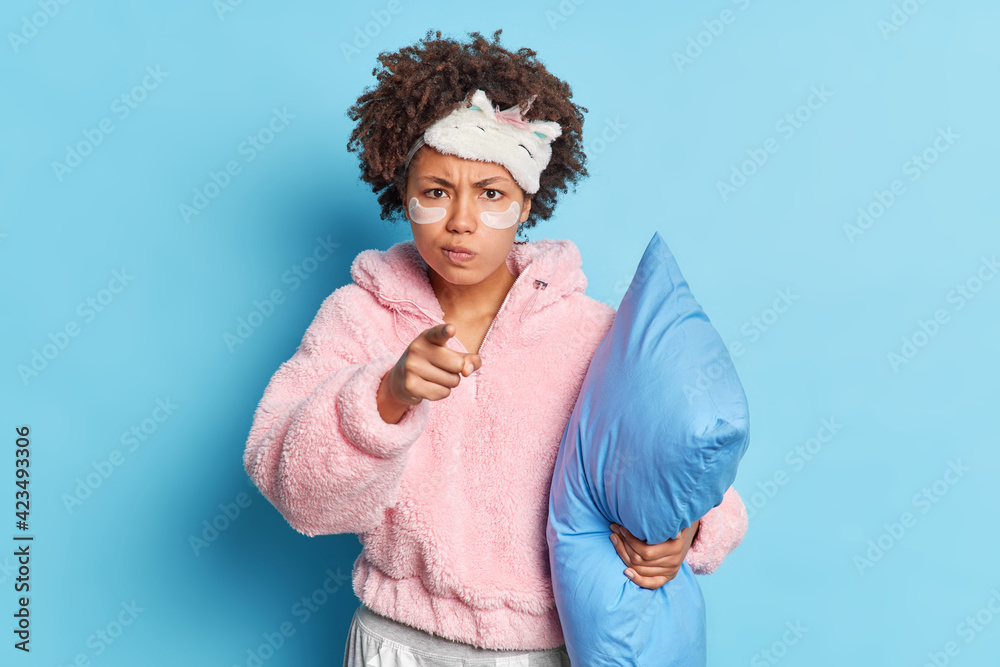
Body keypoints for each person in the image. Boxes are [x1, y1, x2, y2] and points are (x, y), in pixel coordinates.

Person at [242, 29, 748, 666]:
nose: (461, 220)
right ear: (403, 195)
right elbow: (293, 488)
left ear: (526, 203)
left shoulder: (591, 333)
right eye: (435, 191)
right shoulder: (358, 317)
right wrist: (385, 396)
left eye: (491, 194)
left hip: (539, 651)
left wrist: (687, 530)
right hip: (397, 644)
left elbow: (684, 467)